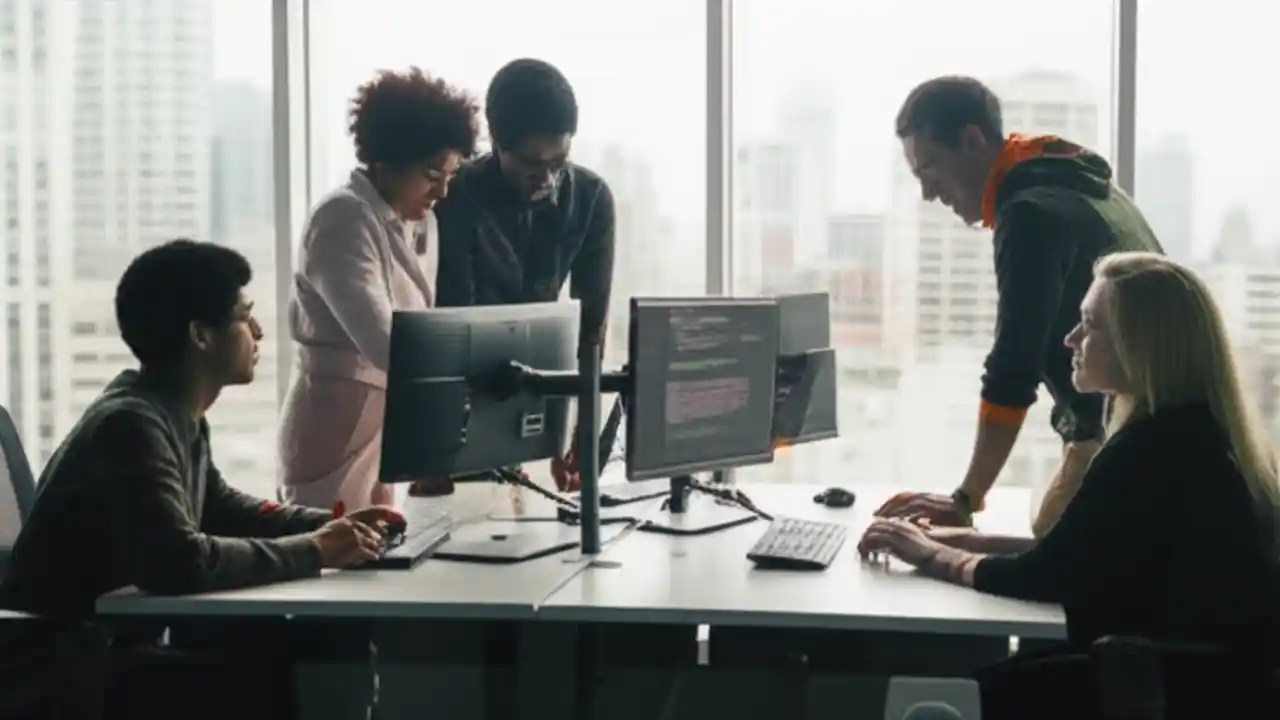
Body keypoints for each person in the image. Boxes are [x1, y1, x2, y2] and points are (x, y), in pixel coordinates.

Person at [858, 253, 1279, 718]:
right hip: (1193, 679)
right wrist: (971, 541)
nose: (1070, 338)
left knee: (944, 695)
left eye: (1090, 325)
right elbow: (1088, 553)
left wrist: (930, 555)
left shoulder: (1149, 450)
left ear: (1139, 345)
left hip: (1157, 687)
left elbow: (1047, 575)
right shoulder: (1195, 432)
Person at [0, 240, 403, 717]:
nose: (258, 331)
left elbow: (218, 506)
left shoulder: (168, 410)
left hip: (111, 648)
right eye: (244, 317)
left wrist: (331, 526)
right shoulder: (130, 424)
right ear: (200, 335)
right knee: (302, 664)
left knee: (321, 641)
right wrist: (317, 549)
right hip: (71, 671)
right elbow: (178, 560)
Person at [876, 76, 1162, 536]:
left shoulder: (1030, 212)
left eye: (930, 168)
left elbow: (1013, 363)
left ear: (972, 141)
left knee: (1048, 554)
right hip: (1148, 429)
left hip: (1127, 442)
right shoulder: (1077, 183)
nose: (928, 193)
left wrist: (965, 498)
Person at [279, 67, 479, 509]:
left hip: (387, 425)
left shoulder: (420, 221)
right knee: (330, 543)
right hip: (335, 426)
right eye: (432, 175)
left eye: (450, 176)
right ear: (387, 160)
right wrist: (472, 371)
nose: (443, 191)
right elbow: (385, 341)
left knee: (385, 540)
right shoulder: (342, 218)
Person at [434, 58, 616, 491]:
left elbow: (592, 326)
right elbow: (449, 323)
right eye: (533, 164)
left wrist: (583, 429)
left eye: (560, 161)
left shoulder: (590, 198)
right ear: (498, 144)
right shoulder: (454, 194)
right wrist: (435, 452)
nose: (547, 178)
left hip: (542, 380)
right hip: (461, 395)